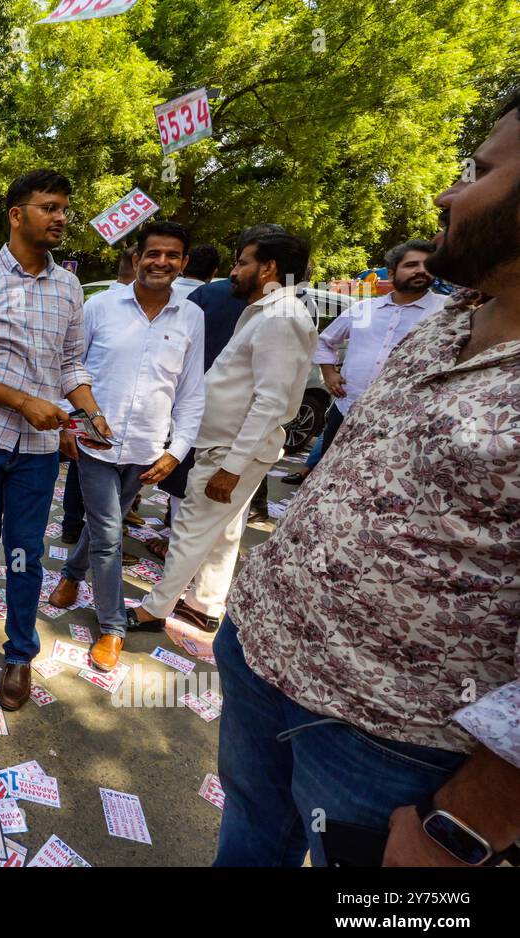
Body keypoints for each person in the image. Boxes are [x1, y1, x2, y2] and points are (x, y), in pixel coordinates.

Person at [211, 91, 520, 866]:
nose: (449, 194)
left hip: (390, 744)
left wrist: (466, 827)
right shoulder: (445, 321)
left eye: (479, 171)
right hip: (261, 659)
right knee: (248, 838)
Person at [0, 169, 105, 711]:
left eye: (63, 209)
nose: (60, 217)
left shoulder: (70, 286)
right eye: (49, 207)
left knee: (26, 552)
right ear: (17, 214)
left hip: (37, 453)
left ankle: (20, 653)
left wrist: (92, 413)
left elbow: (71, 363)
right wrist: (23, 402)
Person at [130, 232, 316, 640]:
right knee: (224, 531)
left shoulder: (281, 318)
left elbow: (269, 402)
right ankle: (205, 605)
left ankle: (153, 609)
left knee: (191, 529)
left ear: (267, 269)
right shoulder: (271, 312)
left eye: (242, 262)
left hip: (231, 450)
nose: (233, 272)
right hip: (231, 446)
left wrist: (230, 468)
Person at [47, 221, 206, 671]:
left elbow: (192, 392)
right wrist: (67, 424)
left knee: (107, 525)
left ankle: (71, 575)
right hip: (95, 443)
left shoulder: (191, 317)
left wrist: (176, 451)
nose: (161, 262)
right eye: (153, 253)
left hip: (148, 450)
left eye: (171, 255)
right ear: (136, 258)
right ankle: (113, 626)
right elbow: (69, 365)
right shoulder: (100, 306)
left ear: (183, 263)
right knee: (110, 534)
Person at [156, 224, 292, 533]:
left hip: (215, 423)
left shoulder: (279, 312)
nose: (236, 271)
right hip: (222, 426)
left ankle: (176, 539)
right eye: (237, 262)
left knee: (192, 501)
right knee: (222, 521)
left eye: (243, 262)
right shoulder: (287, 306)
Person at [311, 239, 447, 466]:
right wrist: (329, 372)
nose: (421, 270)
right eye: (412, 265)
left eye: (428, 265)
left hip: (401, 420)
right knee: (325, 472)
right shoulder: (364, 309)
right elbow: (325, 341)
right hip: (346, 409)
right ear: (392, 274)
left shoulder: (447, 311)